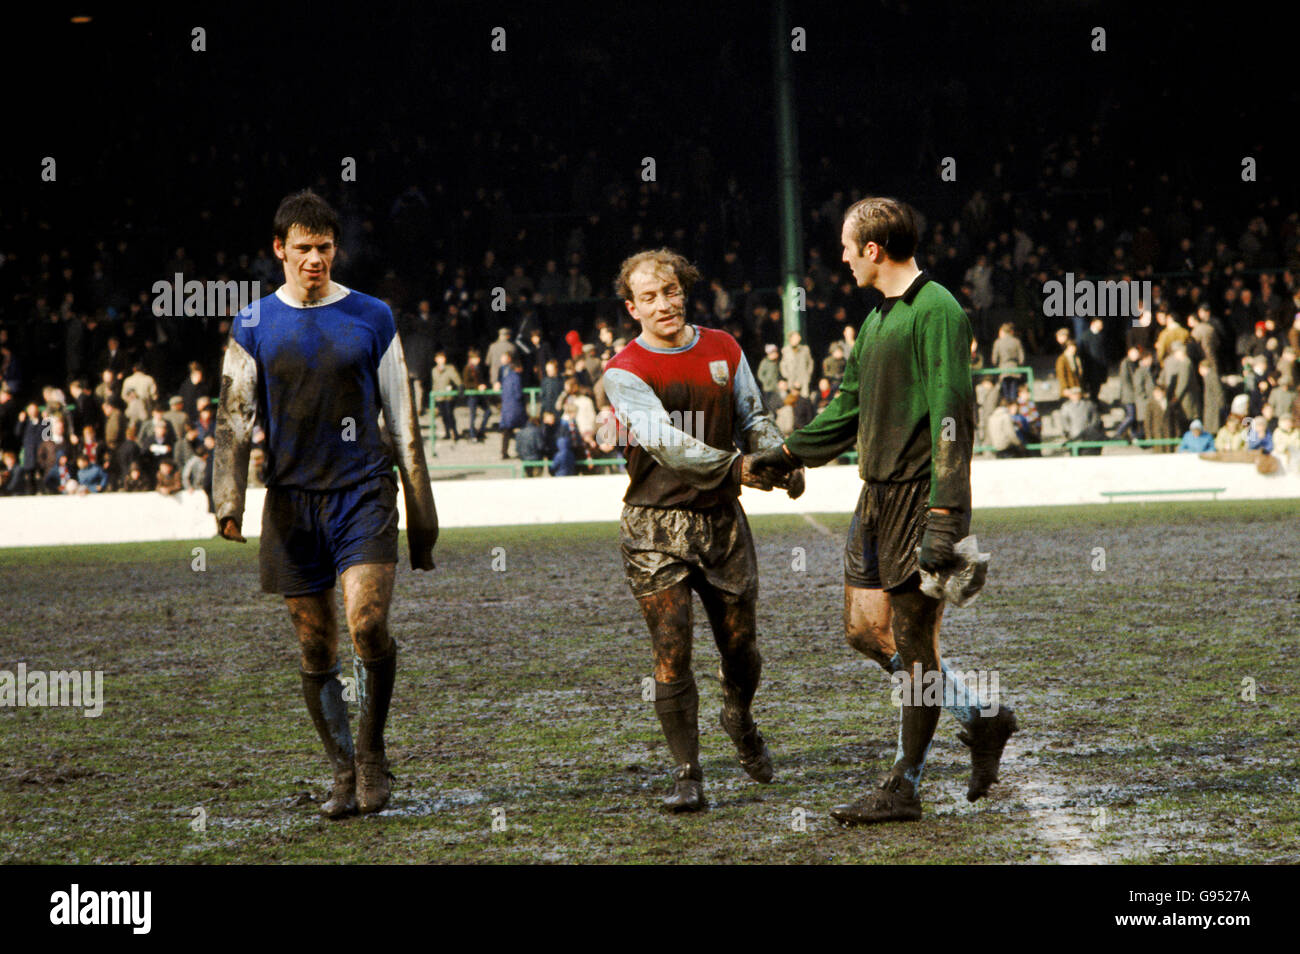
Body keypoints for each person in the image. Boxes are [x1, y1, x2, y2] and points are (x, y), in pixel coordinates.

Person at [748, 196, 1016, 825]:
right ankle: (982, 715)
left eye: (847, 246)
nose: (841, 257)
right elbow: (844, 413)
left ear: (873, 249)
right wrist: (786, 455)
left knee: (916, 646)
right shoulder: (874, 323)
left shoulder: (938, 310)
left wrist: (947, 513)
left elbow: (954, 413)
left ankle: (905, 784)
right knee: (864, 631)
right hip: (874, 500)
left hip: (920, 499)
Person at [214, 190, 438, 819]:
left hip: (364, 492)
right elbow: (235, 418)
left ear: (336, 249)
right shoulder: (253, 323)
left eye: (326, 247)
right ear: (279, 250)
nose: (316, 258)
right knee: (316, 647)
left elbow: (403, 416)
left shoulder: (373, 315)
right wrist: (228, 496)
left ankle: (371, 756)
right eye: (304, 248)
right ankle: (340, 769)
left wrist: (423, 513)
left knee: (367, 624)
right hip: (291, 504)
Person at [602, 247, 802, 814]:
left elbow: (753, 415)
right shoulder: (623, 372)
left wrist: (776, 457)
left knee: (741, 651)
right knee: (672, 649)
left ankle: (738, 714)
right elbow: (664, 442)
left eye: (670, 292)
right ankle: (687, 772)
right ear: (632, 308)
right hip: (653, 528)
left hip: (721, 525)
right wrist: (739, 466)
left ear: (684, 292)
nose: (662, 304)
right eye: (649, 297)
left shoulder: (724, 348)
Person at [430, 351, 462, 442]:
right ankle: (447, 432)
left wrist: (460, 386)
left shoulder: (450, 368)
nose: (440, 360)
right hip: (439, 396)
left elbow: (456, 379)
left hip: (448, 396)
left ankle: (454, 432)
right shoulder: (434, 370)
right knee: (443, 415)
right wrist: (434, 394)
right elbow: (434, 383)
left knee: (450, 414)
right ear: (436, 360)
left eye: (442, 358)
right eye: (438, 358)